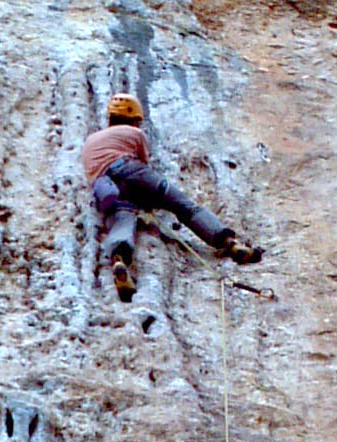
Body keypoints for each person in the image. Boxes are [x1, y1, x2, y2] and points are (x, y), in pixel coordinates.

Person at [81, 94, 263, 301]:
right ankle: (230, 242)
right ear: (133, 118)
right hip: (135, 171)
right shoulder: (134, 133)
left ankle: (119, 258)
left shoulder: (90, 141)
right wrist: (149, 201)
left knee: (122, 219)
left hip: (108, 186)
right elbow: (143, 164)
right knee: (184, 207)